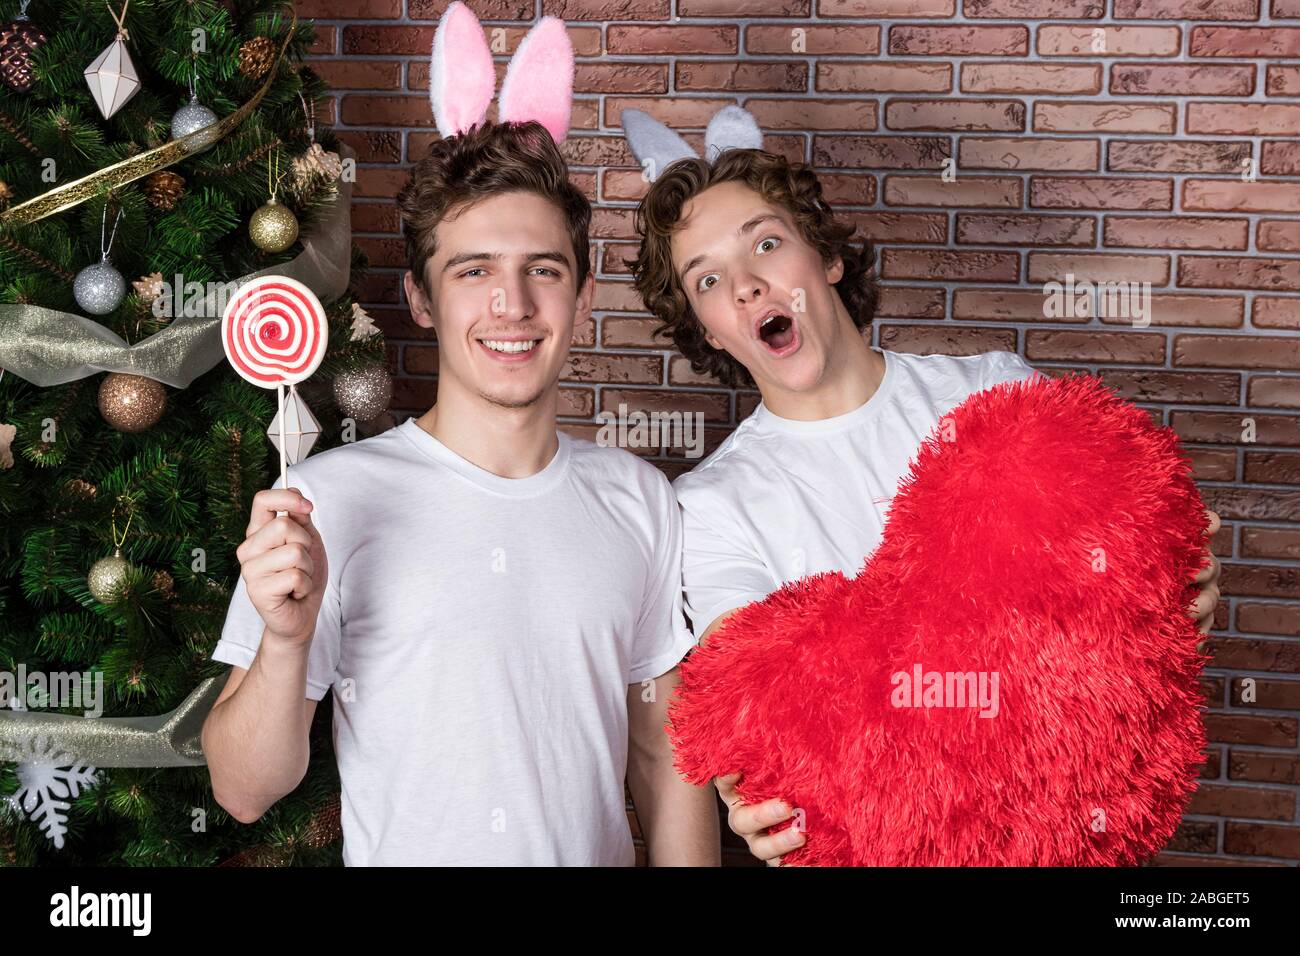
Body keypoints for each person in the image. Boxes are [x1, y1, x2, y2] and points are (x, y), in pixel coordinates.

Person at [627, 144, 1222, 865]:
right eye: (710, 280)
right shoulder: (711, 507)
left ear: (827, 260)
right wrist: (758, 782)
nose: (748, 285)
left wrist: (1163, 589)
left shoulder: (996, 396)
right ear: (709, 329)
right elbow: (762, 708)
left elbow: (1108, 591)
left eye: (767, 243)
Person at [201, 118, 718, 866]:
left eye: (543, 269)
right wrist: (285, 644)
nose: (512, 304)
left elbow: (663, 760)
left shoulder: (639, 498)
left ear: (582, 297)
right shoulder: (325, 502)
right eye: (473, 271)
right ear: (421, 298)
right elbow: (244, 789)